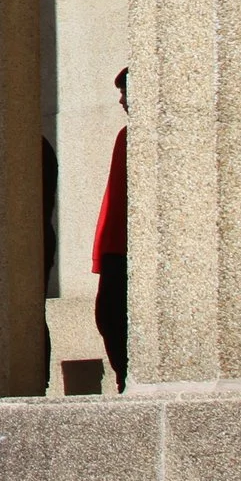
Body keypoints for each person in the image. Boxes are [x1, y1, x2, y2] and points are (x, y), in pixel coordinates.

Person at [93, 66, 129, 390]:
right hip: (116, 247)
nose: (121, 99)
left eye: (125, 92)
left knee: (114, 315)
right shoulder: (125, 137)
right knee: (107, 315)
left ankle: (127, 377)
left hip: (131, 248)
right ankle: (123, 377)